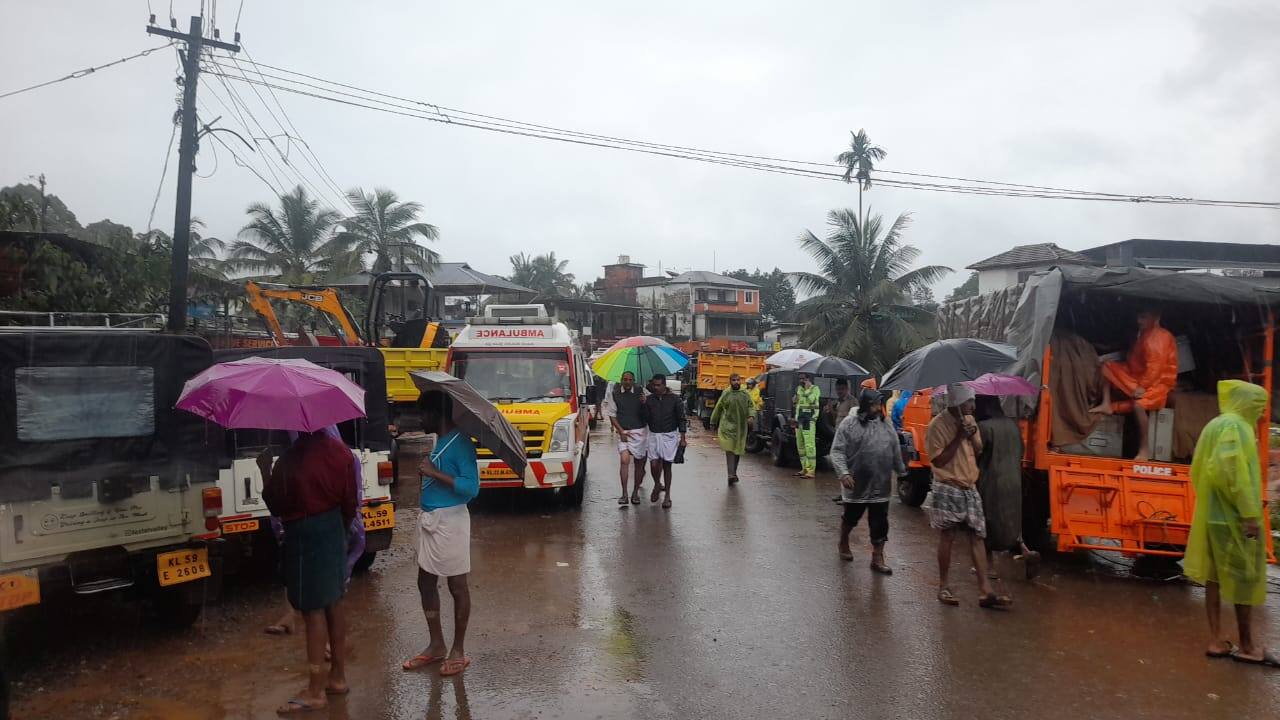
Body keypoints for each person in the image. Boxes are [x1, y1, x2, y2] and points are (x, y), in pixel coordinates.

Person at [260, 429, 357, 714]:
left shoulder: (290, 459)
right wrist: (341, 528)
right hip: (333, 529)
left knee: (312, 611)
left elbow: (275, 504)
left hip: (304, 534)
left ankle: (315, 690)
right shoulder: (341, 453)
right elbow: (350, 501)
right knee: (334, 603)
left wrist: (265, 471)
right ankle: (337, 677)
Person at [1183, 380, 1276, 667]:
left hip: (1213, 515)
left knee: (1214, 579)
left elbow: (1199, 469)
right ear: (1247, 402)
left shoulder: (1216, 424)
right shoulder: (1236, 427)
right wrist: (1249, 513)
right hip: (1233, 517)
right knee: (1244, 579)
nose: (1261, 413)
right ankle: (1247, 646)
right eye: (1259, 406)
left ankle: (1217, 640)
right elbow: (1232, 472)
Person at [403, 390, 479, 677]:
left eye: (424, 413)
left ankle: (457, 649)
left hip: (451, 522)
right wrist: (430, 471)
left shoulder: (461, 444)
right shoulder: (443, 442)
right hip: (431, 520)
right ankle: (436, 644)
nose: (420, 419)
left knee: (457, 586)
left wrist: (434, 474)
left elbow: (471, 489)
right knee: (425, 582)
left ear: (437, 415)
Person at [923, 384, 1007, 609]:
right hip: (948, 485)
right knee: (948, 536)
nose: (974, 405)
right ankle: (943, 585)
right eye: (970, 401)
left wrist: (971, 437)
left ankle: (985, 590)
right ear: (958, 402)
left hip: (970, 486)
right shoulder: (937, 425)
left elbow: (978, 450)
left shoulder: (970, 421)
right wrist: (959, 436)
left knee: (977, 536)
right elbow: (938, 461)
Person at [831, 389, 905, 573]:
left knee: (880, 522)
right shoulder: (849, 424)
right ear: (865, 405)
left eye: (879, 404)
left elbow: (895, 448)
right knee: (851, 517)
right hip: (856, 483)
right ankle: (843, 541)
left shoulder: (885, 424)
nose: (877, 408)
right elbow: (837, 450)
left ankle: (878, 557)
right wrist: (844, 473)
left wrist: (901, 470)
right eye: (873, 404)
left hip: (881, 484)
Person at [1089, 308, 1178, 460]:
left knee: (1139, 405)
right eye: (1139, 317)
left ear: (1156, 317)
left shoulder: (1158, 337)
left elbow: (1154, 369)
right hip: (1137, 378)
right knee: (1106, 367)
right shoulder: (1144, 333)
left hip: (1157, 384)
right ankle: (1106, 403)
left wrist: (1142, 387)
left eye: (1143, 317)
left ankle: (1144, 449)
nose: (1139, 321)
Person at [974, 396, 1040, 586]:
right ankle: (1026, 552)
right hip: (1013, 479)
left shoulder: (985, 427)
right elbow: (1021, 449)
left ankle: (990, 567)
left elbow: (976, 452)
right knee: (1010, 520)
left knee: (986, 521)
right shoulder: (1012, 426)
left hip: (991, 481)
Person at [603, 371, 648, 506]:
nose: (627, 382)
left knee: (640, 464)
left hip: (640, 431)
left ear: (634, 380)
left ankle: (635, 493)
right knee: (624, 460)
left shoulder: (642, 391)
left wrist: (645, 402)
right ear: (621, 380)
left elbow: (651, 409)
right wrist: (620, 430)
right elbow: (612, 414)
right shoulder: (614, 393)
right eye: (625, 379)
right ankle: (624, 494)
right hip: (624, 432)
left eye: (630, 380)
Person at [644, 374, 687, 509]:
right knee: (654, 464)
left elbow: (681, 418)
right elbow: (644, 418)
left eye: (658, 385)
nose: (655, 388)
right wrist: (643, 405)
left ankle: (667, 496)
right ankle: (657, 483)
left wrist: (683, 438)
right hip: (653, 434)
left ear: (664, 385)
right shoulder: (649, 399)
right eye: (654, 385)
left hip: (669, 435)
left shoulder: (675, 399)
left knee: (667, 465)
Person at [711, 373, 753, 485]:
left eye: (738, 380)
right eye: (734, 380)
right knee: (729, 449)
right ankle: (730, 474)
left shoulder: (745, 394)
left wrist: (751, 416)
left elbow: (751, 406)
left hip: (741, 427)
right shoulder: (726, 393)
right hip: (728, 426)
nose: (736, 382)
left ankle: (734, 472)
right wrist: (713, 421)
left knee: (737, 450)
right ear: (730, 381)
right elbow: (718, 407)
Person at [792, 372, 821, 479]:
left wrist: (807, 389)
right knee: (800, 445)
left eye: (803, 379)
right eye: (800, 378)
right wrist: (795, 400)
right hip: (799, 420)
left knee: (809, 446)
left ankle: (811, 471)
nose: (801, 381)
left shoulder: (815, 389)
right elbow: (798, 404)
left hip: (809, 420)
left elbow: (811, 400)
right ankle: (804, 468)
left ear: (808, 379)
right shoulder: (799, 389)